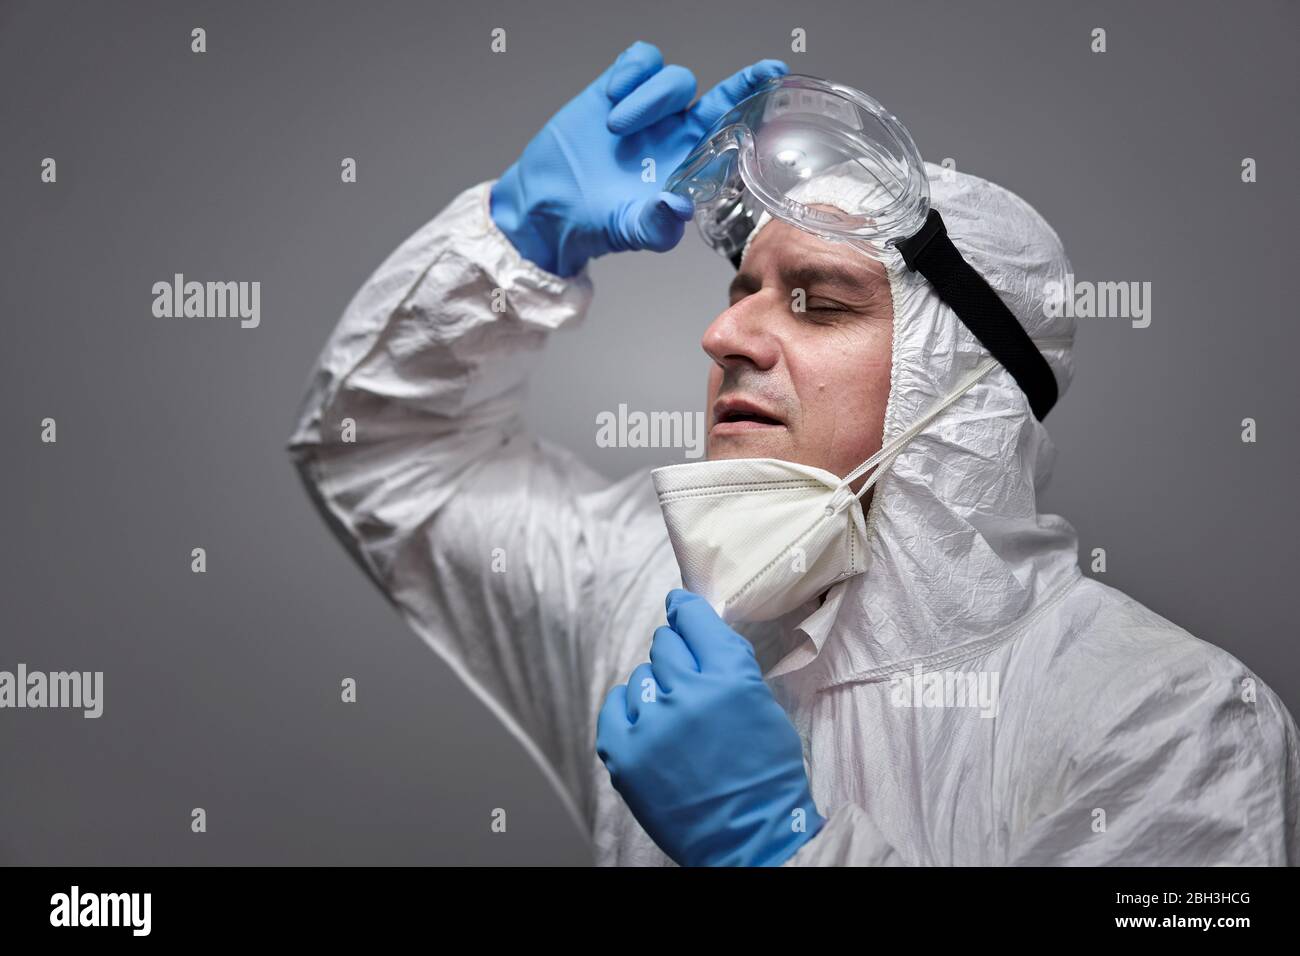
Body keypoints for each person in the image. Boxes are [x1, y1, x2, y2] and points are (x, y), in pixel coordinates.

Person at [288, 41, 1300, 865]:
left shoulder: (1170, 719)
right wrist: (519, 239)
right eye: (742, 291)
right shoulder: (645, 600)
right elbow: (384, 460)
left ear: (961, 386)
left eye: (818, 303)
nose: (725, 335)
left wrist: (777, 853)